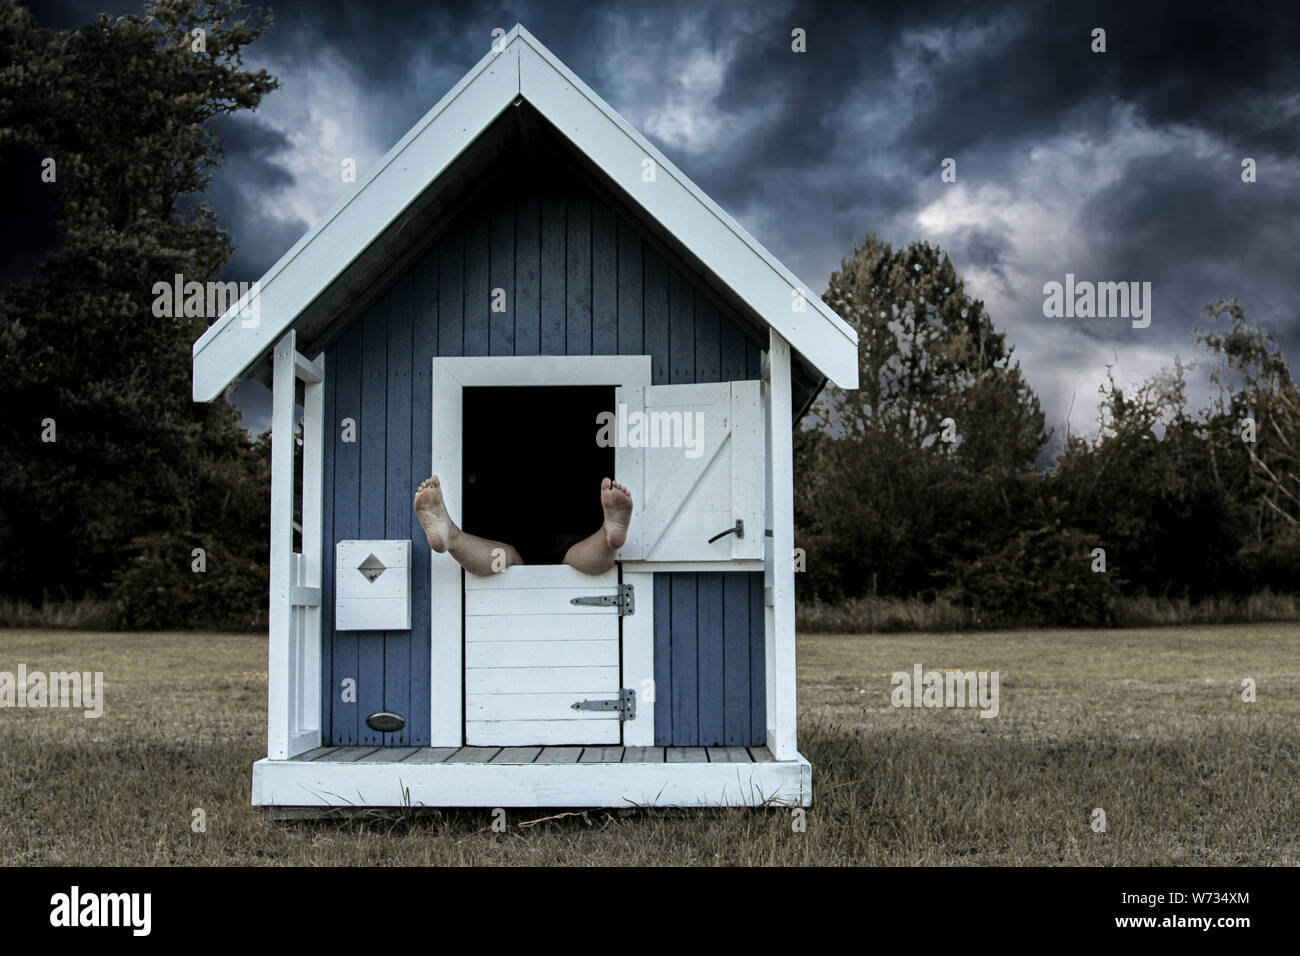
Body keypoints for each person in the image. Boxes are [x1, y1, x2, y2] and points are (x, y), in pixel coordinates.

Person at [413, 475, 633, 575]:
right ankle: (607, 538)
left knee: (504, 558)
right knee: (575, 560)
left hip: (507, 557)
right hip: (578, 554)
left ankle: (452, 537)